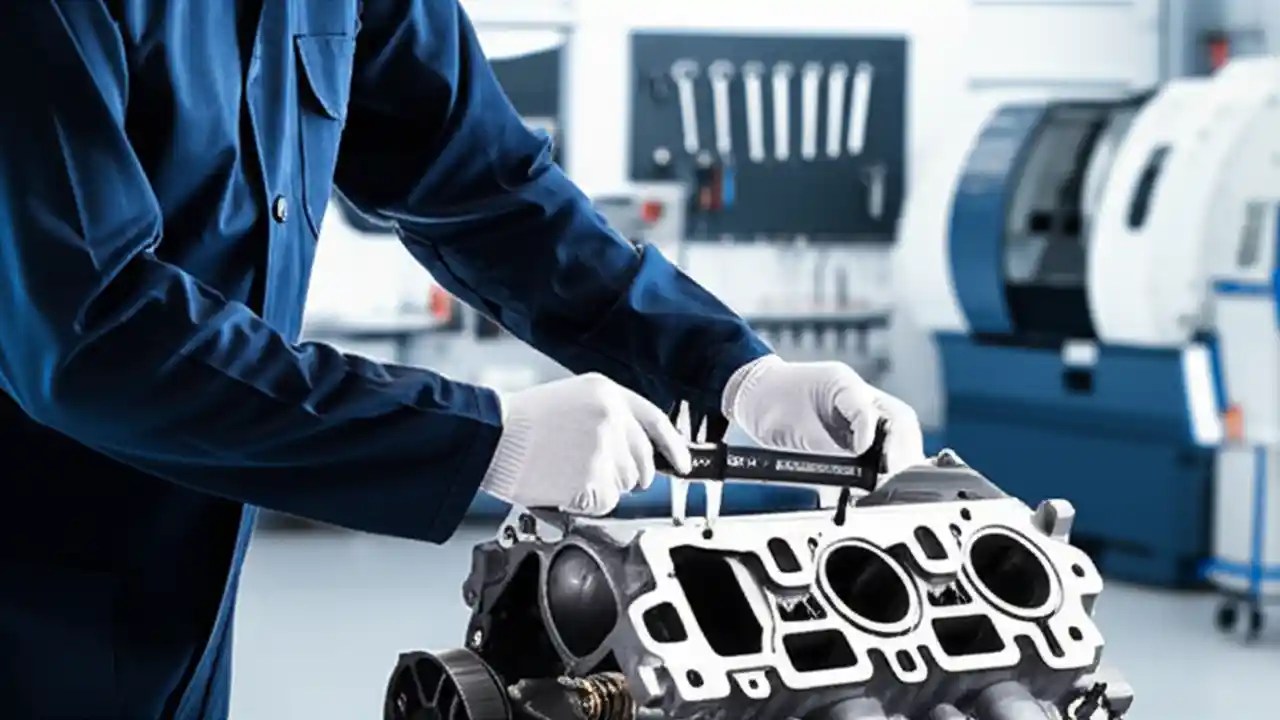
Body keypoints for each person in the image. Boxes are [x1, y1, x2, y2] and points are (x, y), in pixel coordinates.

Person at [0, 1, 925, 718]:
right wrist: (486, 440)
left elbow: (488, 188)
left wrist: (734, 375)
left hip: (179, 595)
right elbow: (88, 327)